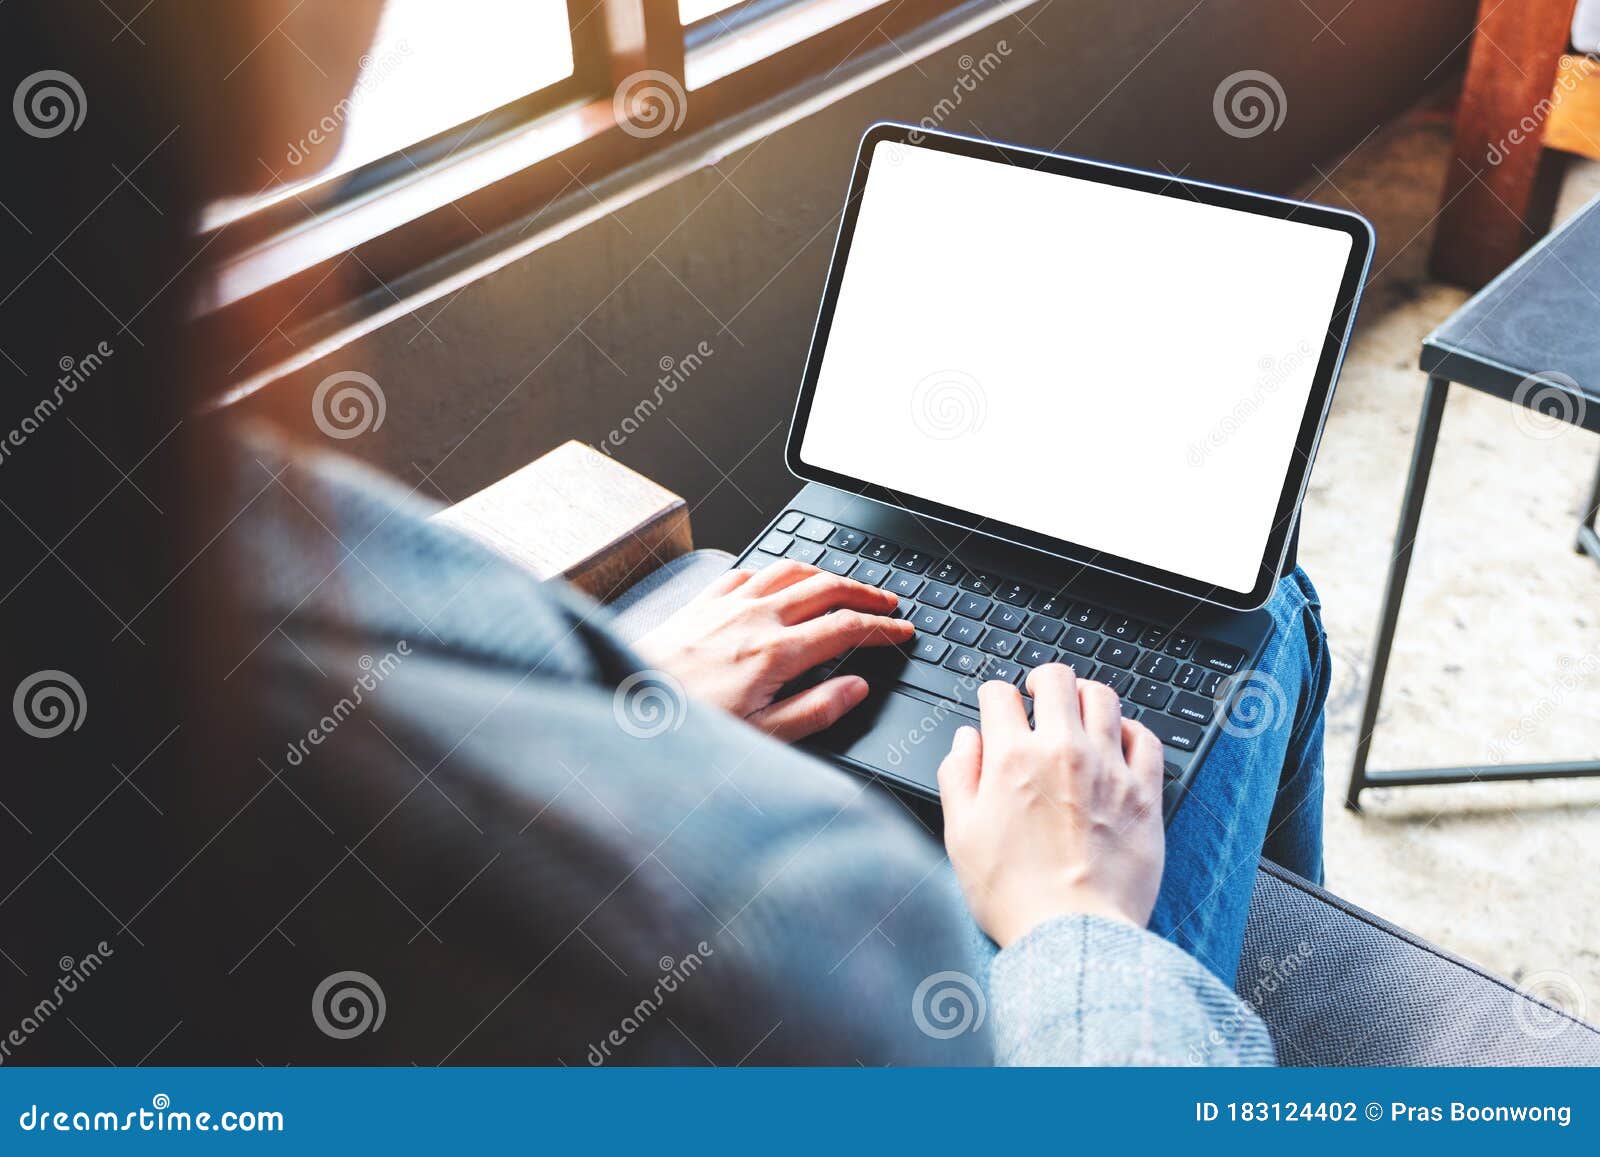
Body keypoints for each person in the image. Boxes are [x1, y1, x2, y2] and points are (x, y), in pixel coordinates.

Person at [2, 1, 1327, 1066]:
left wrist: (608, 732)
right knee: (1274, 612)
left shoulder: (120, 541)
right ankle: (1281, 994)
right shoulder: (794, 921)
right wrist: (1078, 925)